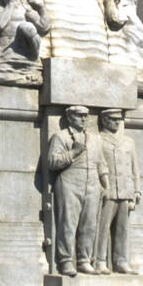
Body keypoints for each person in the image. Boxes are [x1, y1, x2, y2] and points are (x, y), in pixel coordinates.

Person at [47, 106, 108, 276]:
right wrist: (73, 152)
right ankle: (66, 261)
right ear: (69, 117)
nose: (84, 119)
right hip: (70, 181)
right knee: (68, 223)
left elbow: (101, 164)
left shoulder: (95, 139)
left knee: (89, 224)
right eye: (79, 115)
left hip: (93, 183)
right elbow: (52, 162)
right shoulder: (61, 137)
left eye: (85, 116)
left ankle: (84, 260)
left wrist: (106, 185)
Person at [94, 108, 141, 274]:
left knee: (122, 229)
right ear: (104, 120)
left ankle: (121, 260)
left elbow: (135, 168)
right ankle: (100, 260)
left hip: (125, 190)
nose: (117, 122)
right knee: (102, 227)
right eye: (113, 119)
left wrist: (137, 191)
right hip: (108, 191)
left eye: (119, 119)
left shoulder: (128, 142)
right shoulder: (98, 139)